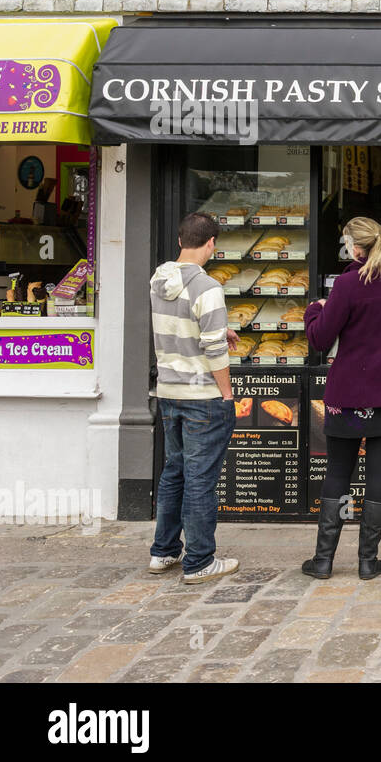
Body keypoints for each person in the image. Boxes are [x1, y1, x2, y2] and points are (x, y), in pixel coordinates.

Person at [303, 217, 381, 580]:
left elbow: (320, 338)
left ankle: (324, 560)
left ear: (355, 248)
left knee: (339, 473)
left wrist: (315, 309)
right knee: (380, 473)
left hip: (347, 397)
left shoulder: (346, 284)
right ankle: (367, 561)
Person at [148, 211, 241, 585]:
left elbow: (180, 325)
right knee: (201, 479)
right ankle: (200, 560)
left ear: (180, 241)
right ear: (212, 243)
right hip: (203, 395)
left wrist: (221, 326)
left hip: (169, 392)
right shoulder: (208, 288)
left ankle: (163, 552)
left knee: (174, 473)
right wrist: (227, 392)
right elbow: (214, 348)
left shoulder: (158, 280)